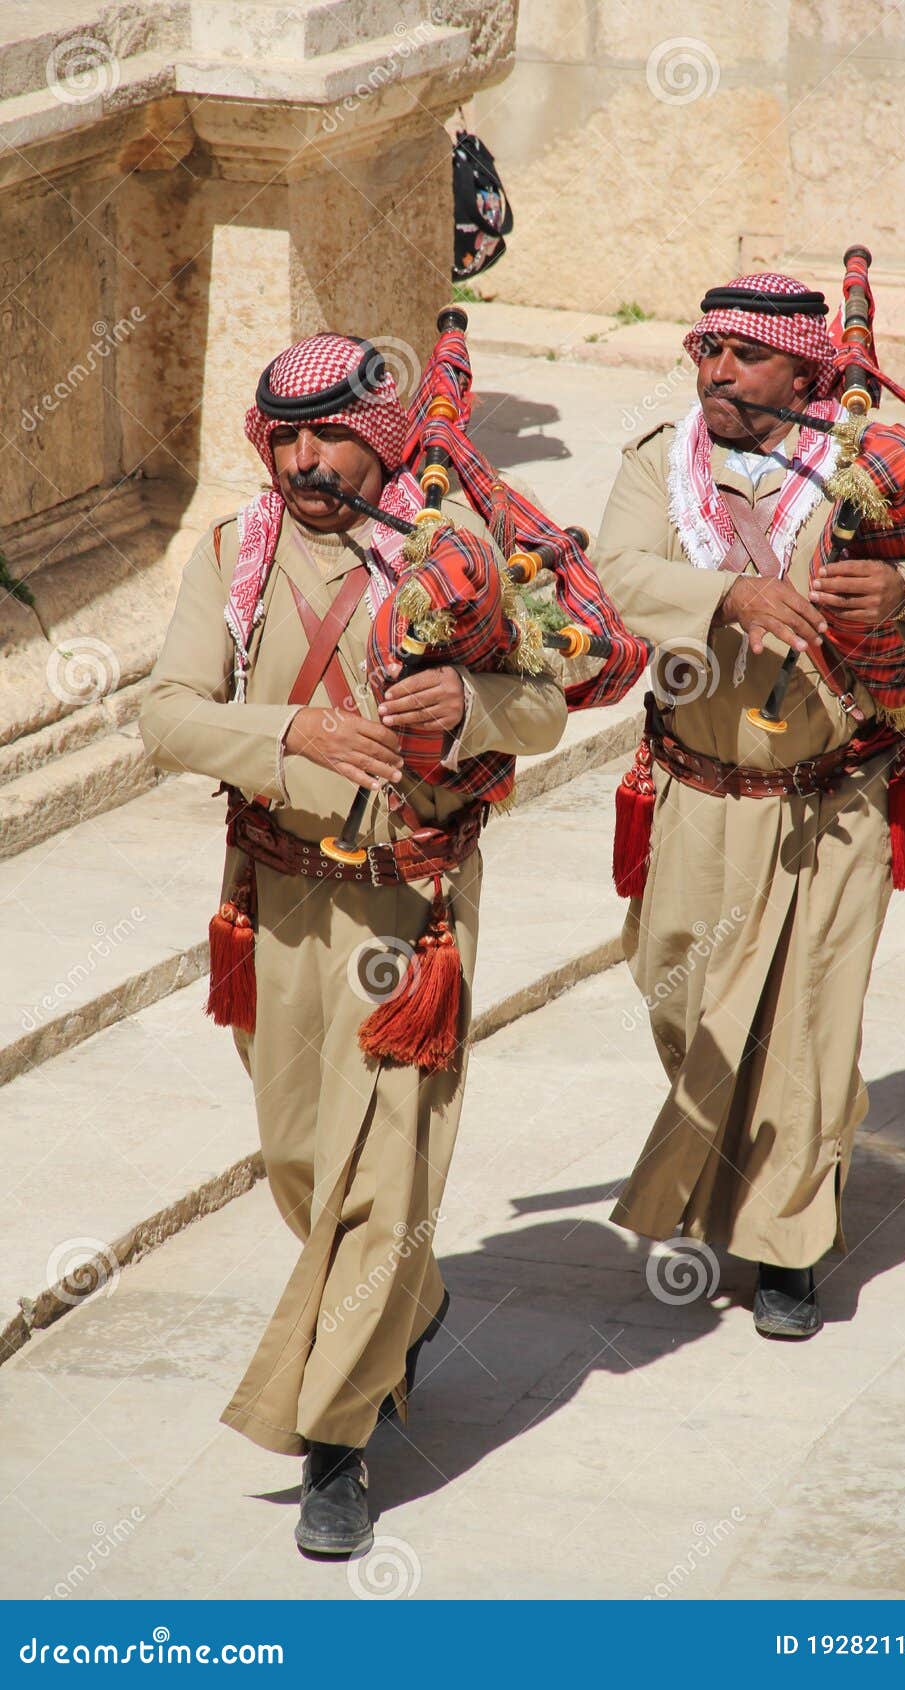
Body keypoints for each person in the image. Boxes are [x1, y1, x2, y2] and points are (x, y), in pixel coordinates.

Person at [139, 333, 567, 1554]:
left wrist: (472, 705)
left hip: (405, 909)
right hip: (271, 896)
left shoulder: (456, 559)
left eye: (327, 435)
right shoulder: (233, 556)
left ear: (377, 440)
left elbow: (542, 703)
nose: (303, 458)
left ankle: (335, 1436)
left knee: (380, 1175)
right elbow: (166, 713)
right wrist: (292, 738)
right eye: (284, 435)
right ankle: (410, 1305)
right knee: (297, 1160)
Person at [595, 273, 905, 1339]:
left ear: (801, 370)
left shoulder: (872, 471)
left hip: (836, 795)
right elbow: (617, 575)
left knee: (809, 1022)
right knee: (678, 1001)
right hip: (693, 789)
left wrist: (904, 595)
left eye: (741, 357)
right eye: (705, 353)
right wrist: (727, 593)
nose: (716, 372)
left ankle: (786, 1244)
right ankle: (749, 1164)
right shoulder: (661, 462)